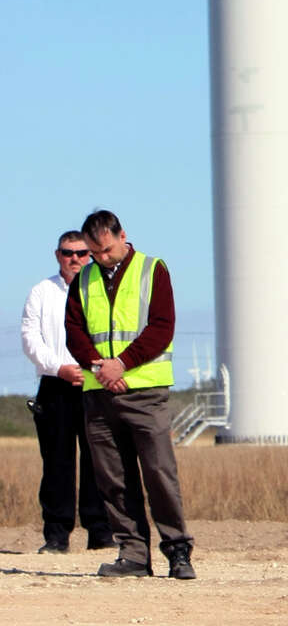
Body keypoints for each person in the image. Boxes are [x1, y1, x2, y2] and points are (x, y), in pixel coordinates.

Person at [63, 210, 195, 579]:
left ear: (122, 236)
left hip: (145, 391)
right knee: (114, 479)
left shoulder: (153, 270)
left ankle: (178, 551)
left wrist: (121, 363)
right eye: (93, 252)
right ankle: (133, 554)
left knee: (159, 474)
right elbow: (73, 329)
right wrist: (98, 367)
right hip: (98, 393)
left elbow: (162, 327)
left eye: (105, 250)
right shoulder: (84, 279)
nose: (100, 257)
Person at [20, 232, 113, 554]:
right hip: (55, 384)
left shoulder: (101, 289)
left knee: (98, 462)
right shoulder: (41, 292)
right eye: (67, 253)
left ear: (91, 255)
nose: (74, 259)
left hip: (94, 383)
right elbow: (30, 338)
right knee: (57, 463)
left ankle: (100, 532)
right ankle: (57, 535)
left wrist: (92, 368)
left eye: (81, 253)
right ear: (57, 254)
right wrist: (58, 367)